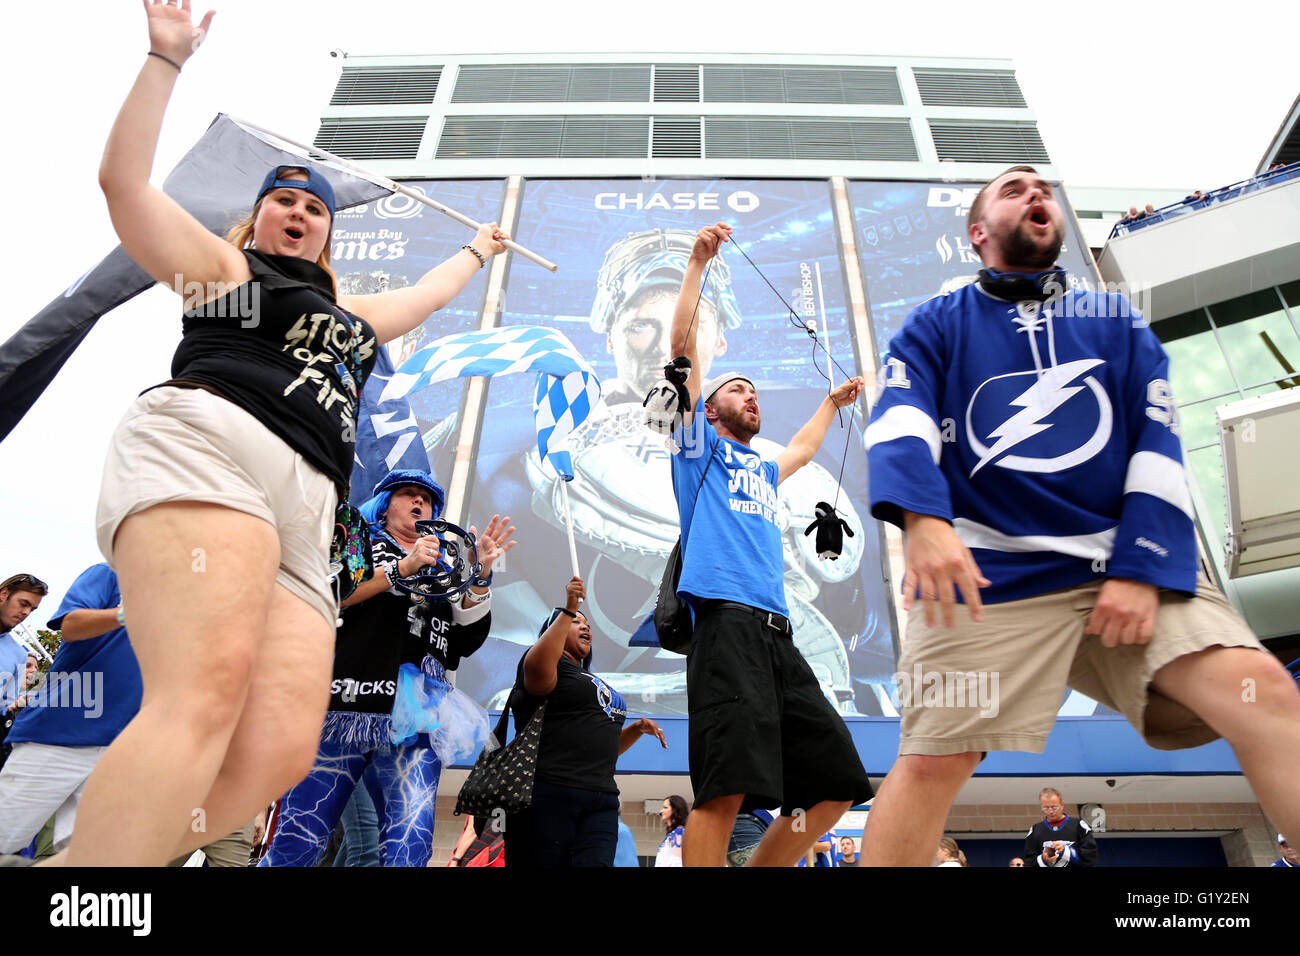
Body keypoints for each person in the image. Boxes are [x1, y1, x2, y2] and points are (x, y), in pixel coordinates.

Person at [61, 1, 509, 867]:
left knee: (278, 747)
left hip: (310, 507)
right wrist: (165, 62)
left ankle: (93, 869)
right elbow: (124, 189)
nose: (299, 211)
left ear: (331, 233)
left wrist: (481, 251)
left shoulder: (351, 315)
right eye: (283, 201)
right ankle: (92, 895)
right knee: (204, 692)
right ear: (257, 220)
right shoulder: (229, 275)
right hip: (213, 448)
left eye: (315, 206)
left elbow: (428, 296)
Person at [861, 164, 1300, 865]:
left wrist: (1140, 565)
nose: (1035, 195)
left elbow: (1157, 441)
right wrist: (923, 519)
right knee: (933, 760)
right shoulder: (936, 324)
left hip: (1120, 566)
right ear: (978, 234)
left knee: (1267, 695)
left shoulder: (1114, 321)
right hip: (987, 580)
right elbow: (899, 419)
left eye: (1041, 189)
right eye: (1012, 190)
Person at [667, 222, 874, 867]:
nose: (748, 393)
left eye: (754, 389)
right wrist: (699, 264)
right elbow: (682, 350)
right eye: (735, 387)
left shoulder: (762, 467)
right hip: (725, 628)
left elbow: (805, 448)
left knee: (838, 788)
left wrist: (831, 404)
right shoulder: (695, 449)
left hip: (778, 635)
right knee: (724, 790)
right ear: (706, 408)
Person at [260, 470, 513, 867]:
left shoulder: (445, 565)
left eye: (427, 500)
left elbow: (463, 643)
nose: (419, 503)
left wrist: (478, 576)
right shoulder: (359, 538)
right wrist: (404, 567)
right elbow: (333, 593)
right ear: (385, 504)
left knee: (410, 841)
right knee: (302, 832)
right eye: (409, 495)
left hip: (417, 714)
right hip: (345, 703)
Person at [503, 576, 667, 867]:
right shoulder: (545, 666)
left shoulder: (589, 679)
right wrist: (568, 609)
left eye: (587, 625)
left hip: (600, 800)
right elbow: (537, 666)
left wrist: (636, 729)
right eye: (577, 623)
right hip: (549, 794)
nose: (585, 627)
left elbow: (601, 748)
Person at [0, 565, 137, 856]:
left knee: (84, 856)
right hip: (58, 732)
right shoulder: (111, 573)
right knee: (4, 837)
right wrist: (130, 612)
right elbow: (71, 626)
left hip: (118, 747)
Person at [0, 575, 47, 714]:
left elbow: (4, 710)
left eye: (32, 609)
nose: (26, 612)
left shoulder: (19, 655)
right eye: (23, 603)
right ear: (4, 594)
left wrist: (14, 707)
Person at [1025, 788, 1097, 868]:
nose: (1051, 811)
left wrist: (1065, 851)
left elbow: (1090, 857)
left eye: (1054, 807)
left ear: (1062, 805)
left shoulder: (1079, 826)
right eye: (1046, 808)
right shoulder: (1035, 830)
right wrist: (1043, 859)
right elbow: (1028, 861)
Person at [655, 794, 689, 867]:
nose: (661, 811)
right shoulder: (675, 833)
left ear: (675, 810)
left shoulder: (678, 833)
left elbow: (677, 861)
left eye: (665, 807)